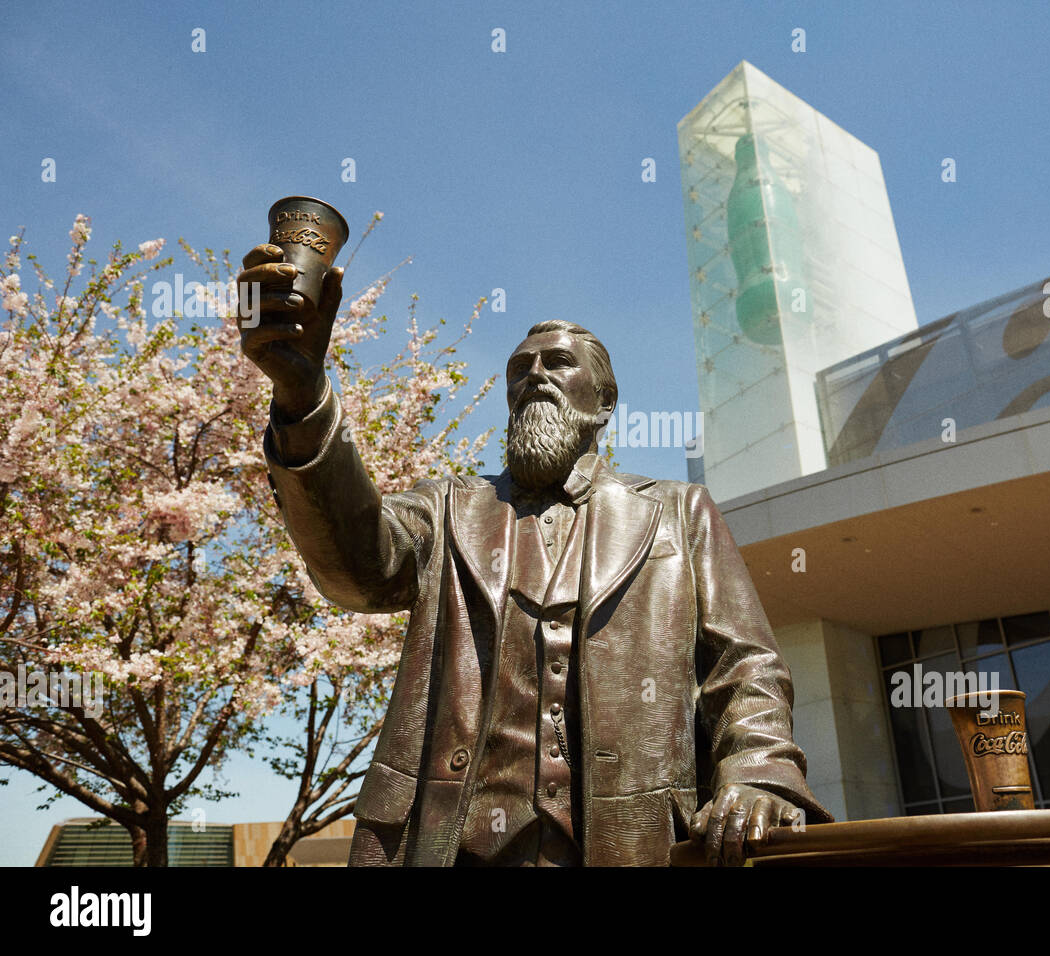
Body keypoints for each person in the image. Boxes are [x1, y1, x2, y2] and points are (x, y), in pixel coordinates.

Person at [238, 244, 833, 866]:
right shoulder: (445, 509)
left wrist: (758, 770)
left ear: (604, 404)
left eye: (558, 363)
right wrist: (301, 395)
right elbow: (357, 569)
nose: (536, 377)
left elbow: (745, 665)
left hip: (631, 844)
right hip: (450, 845)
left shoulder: (677, 512)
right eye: (520, 369)